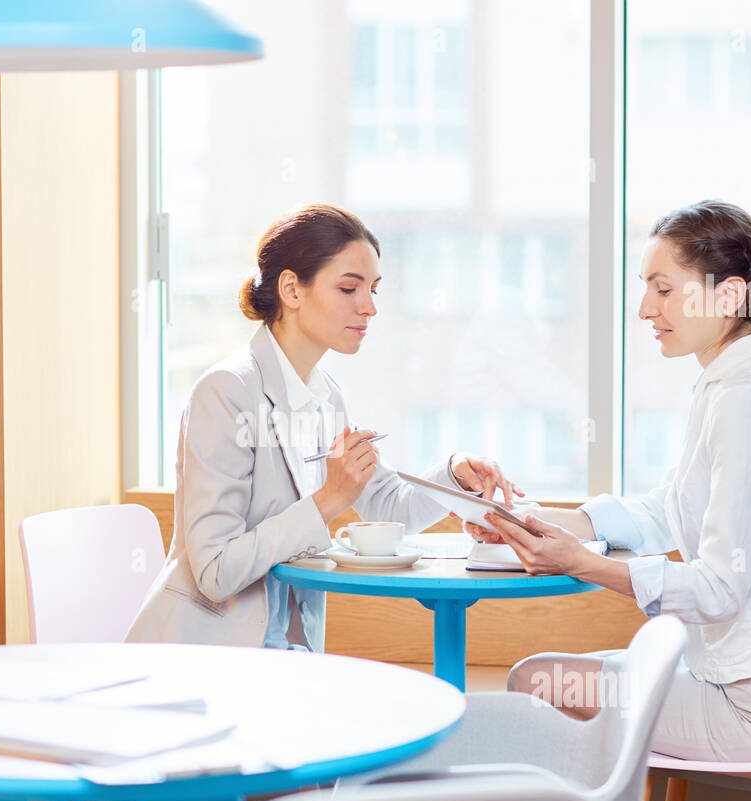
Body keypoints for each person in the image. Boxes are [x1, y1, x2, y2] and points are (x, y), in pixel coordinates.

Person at [473, 200, 751, 762]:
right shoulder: (741, 382)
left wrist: (581, 562)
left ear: (729, 295)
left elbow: (718, 590)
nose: (644, 309)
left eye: (662, 289)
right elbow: (669, 508)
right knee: (541, 677)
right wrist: (539, 521)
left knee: (537, 687)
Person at [125, 202, 518, 652]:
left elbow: (388, 506)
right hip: (211, 655)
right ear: (291, 289)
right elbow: (216, 572)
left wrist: (452, 473)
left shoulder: (325, 394)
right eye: (349, 288)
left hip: (289, 654)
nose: (369, 307)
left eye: (373, 289)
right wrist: (329, 499)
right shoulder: (226, 392)